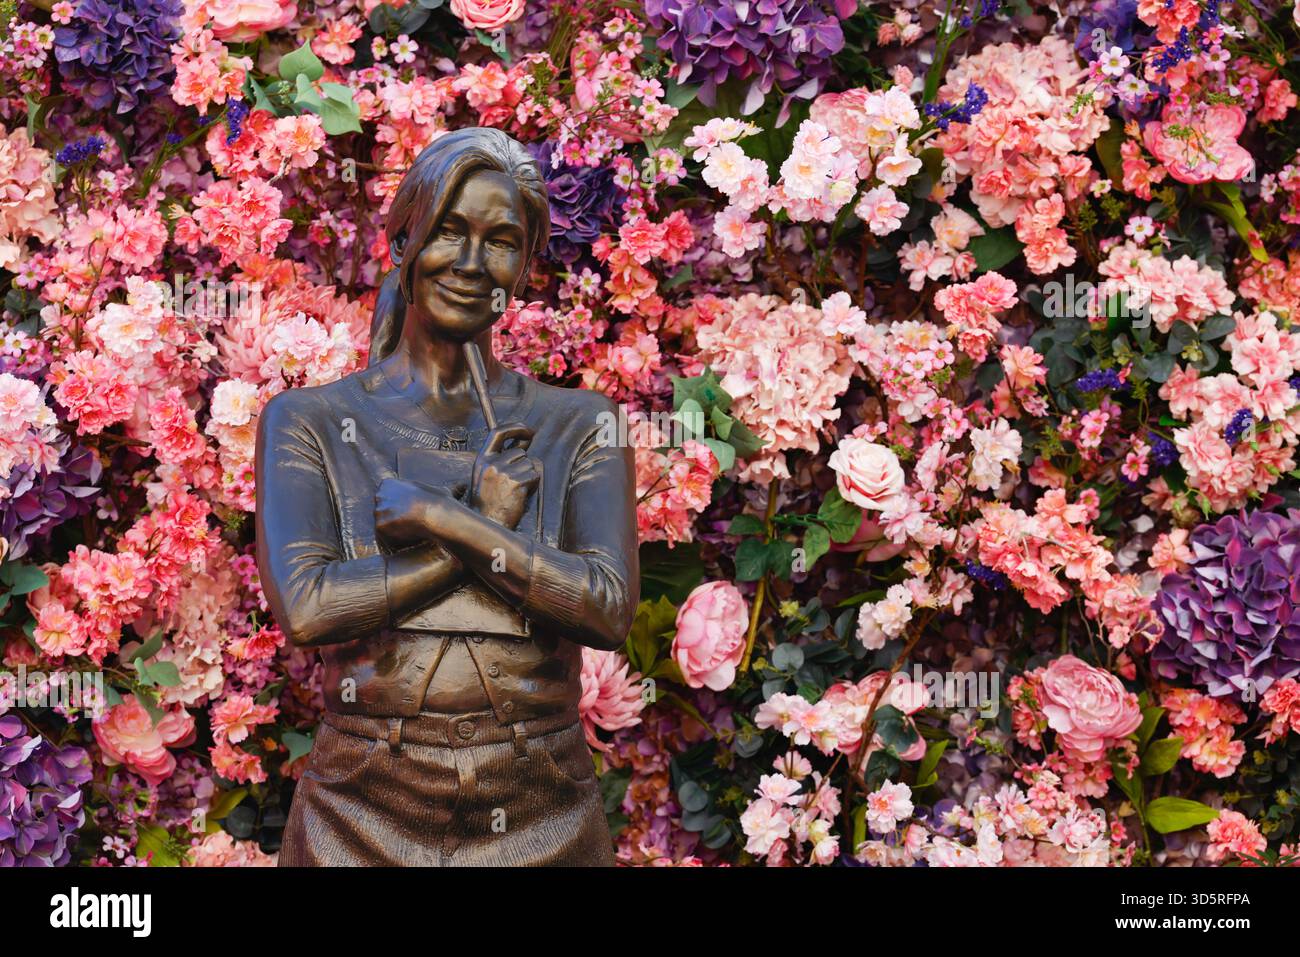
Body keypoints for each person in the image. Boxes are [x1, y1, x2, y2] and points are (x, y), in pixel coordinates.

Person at [255, 127, 638, 866]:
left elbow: (607, 607)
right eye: (449, 231)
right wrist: (486, 530)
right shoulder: (307, 422)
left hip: (541, 803)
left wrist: (445, 519)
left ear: (523, 268)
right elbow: (309, 608)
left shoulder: (583, 425)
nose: (470, 262)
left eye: (499, 240)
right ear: (403, 243)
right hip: (357, 807)